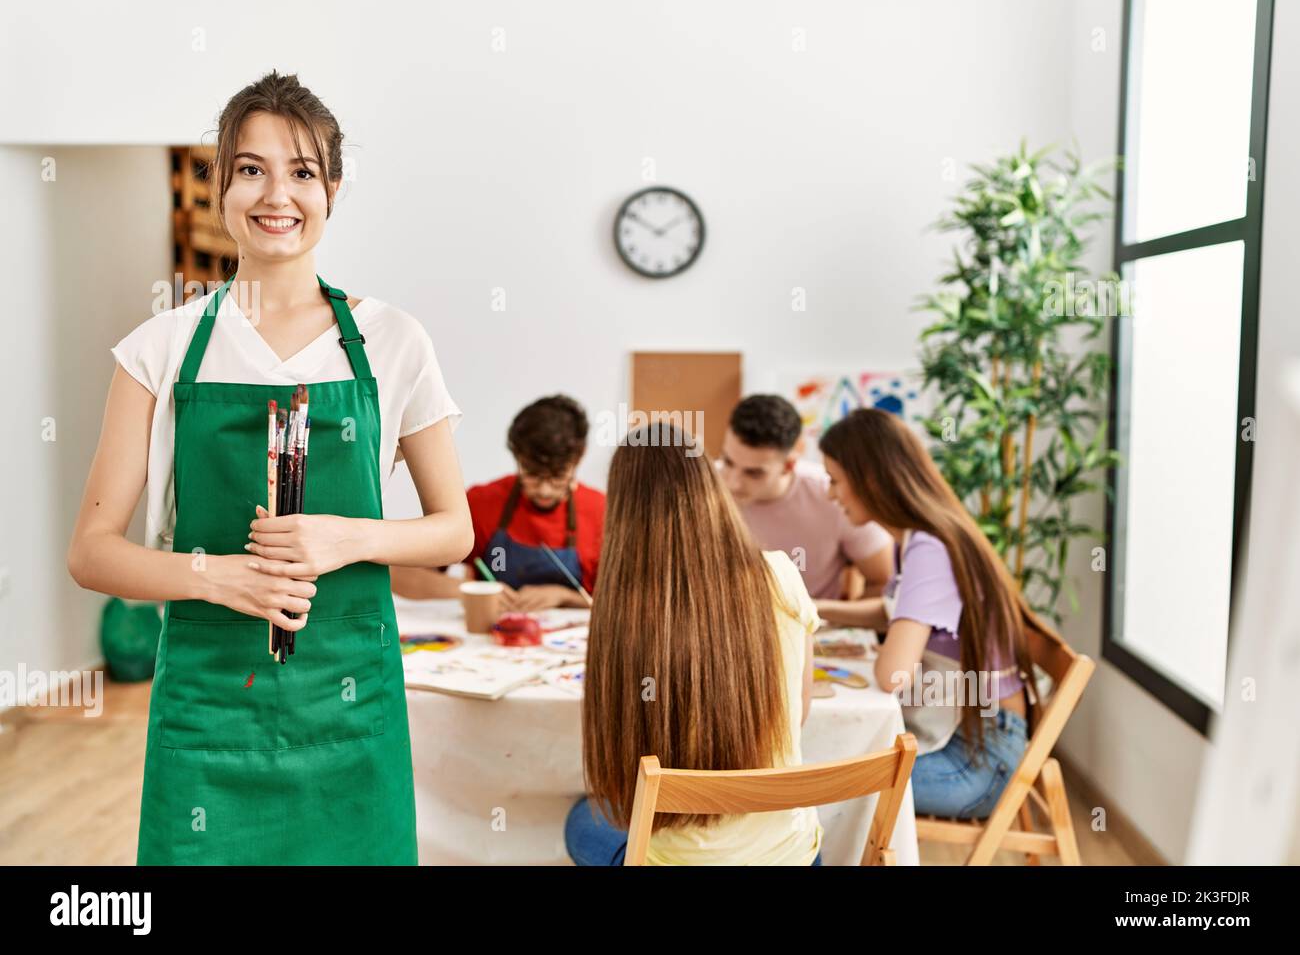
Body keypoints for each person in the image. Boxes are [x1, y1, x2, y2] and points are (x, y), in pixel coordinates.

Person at [66, 71, 473, 864]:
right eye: (250, 168)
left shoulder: (392, 341)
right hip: (208, 713)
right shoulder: (163, 347)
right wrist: (218, 577)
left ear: (334, 189)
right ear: (220, 185)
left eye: (303, 171)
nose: (275, 194)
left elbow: (453, 531)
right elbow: (91, 551)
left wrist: (344, 538)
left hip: (351, 713)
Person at [565, 426, 824, 865]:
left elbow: (619, 770)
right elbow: (796, 712)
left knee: (581, 819)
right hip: (792, 856)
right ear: (711, 488)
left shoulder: (620, 607)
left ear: (623, 512)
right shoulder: (781, 573)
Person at [818, 408, 1049, 819]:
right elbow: (893, 611)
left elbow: (894, 675)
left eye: (835, 481)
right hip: (974, 737)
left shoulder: (931, 548)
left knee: (818, 788)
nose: (830, 495)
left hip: (976, 759)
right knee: (820, 775)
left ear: (870, 479)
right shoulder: (915, 538)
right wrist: (816, 607)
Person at [391, 395, 604, 611]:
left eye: (557, 476)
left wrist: (565, 597)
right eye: (532, 474)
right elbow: (398, 577)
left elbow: (622, 602)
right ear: (517, 457)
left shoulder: (601, 512)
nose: (544, 489)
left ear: (578, 458)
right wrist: (469, 589)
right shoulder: (482, 503)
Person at [719, 395, 893, 620]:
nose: (733, 483)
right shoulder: (701, 490)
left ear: (789, 464)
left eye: (754, 473)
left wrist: (824, 623)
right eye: (728, 462)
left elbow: (882, 581)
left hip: (808, 635)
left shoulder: (834, 495)